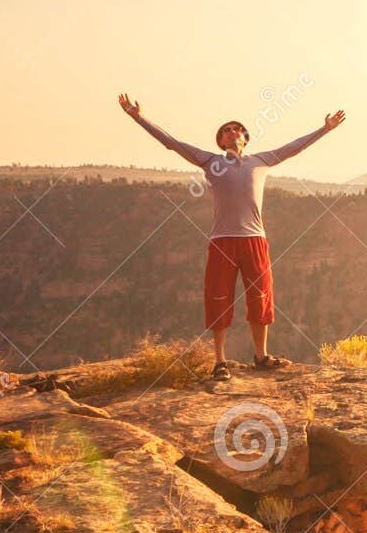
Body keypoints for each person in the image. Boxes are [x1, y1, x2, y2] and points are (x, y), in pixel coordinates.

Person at [118, 94, 346, 380]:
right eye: (226, 130)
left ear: (245, 138)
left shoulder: (261, 161)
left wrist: (324, 129)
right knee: (218, 298)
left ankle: (261, 356)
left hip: (255, 239)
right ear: (221, 141)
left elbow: (293, 149)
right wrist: (139, 118)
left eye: (236, 128)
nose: (232, 131)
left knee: (261, 297)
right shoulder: (210, 161)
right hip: (222, 241)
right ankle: (220, 361)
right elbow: (172, 143)